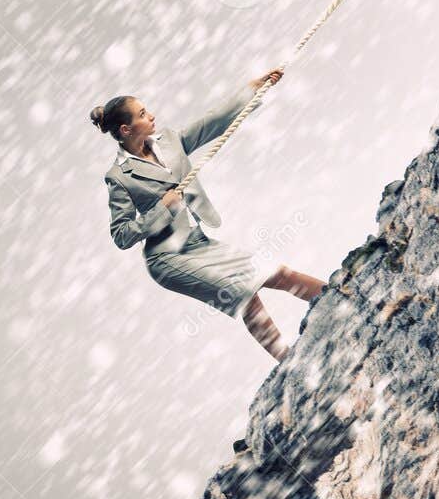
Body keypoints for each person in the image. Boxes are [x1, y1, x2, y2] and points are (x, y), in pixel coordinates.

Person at [94, 73, 323, 360]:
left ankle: (343, 294)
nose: (151, 116)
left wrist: (251, 89)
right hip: (168, 259)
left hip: (200, 243)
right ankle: (290, 363)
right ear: (126, 129)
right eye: (142, 114)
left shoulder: (169, 141)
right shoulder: (119, 177)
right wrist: (162, 208)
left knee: (278, 274)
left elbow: (211, 122)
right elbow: (122, 235)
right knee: (243, 294)